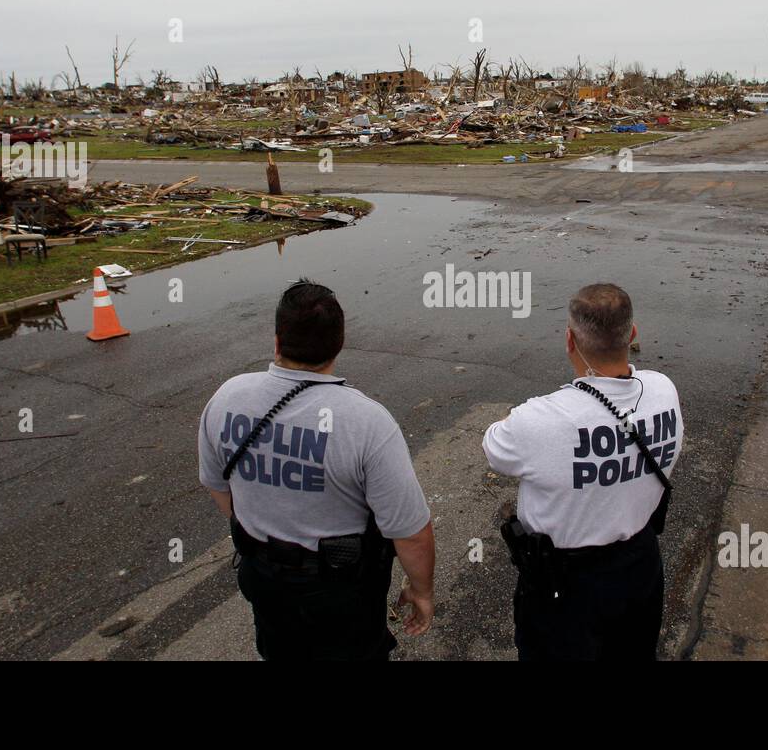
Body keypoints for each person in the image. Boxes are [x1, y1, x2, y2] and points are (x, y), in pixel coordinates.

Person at [198, 278, 434, 660]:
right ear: (338, 344)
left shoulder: (228, 397)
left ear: (277, 342)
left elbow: (216, 485)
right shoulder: (366, 421)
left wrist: (263, 529)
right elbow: (410, 531)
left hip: (264, 580)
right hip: (341, 593)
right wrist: (422, 591)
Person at [483, 283, 683, 660]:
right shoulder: (663, 390)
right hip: (641, 565)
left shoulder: (540, 419)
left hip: (566, 584)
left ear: (569, 341)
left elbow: (494, 447)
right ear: (633, 333)